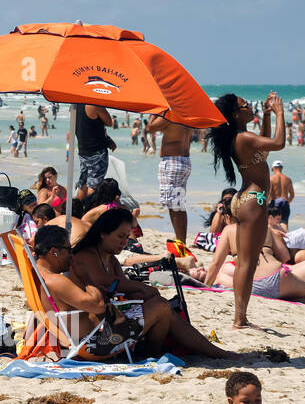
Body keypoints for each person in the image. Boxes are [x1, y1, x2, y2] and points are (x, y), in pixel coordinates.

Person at [71, 208, 237, 359]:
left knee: (162, 306)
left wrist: (145, 293)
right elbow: (106, 282)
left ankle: (152, 354)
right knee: (162, 307)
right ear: (103, 233)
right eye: (120, 236)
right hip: (94, 337)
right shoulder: (87, 256)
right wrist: (143, 288)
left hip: (111, 324)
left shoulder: (111, 260)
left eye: (126, 237)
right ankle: (209, 352)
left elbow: (123, 289)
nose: (124, 242)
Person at [209, 92, 286, 328]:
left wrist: (265, 115)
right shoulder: (242, 137)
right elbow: (278, 143)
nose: (249, 106)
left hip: (246, 200)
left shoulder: (242, 137)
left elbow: (264, 149)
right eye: (245, 105)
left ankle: (240, 318)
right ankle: (239, 320)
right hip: (253, 202)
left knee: (247, 262)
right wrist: (279, 113)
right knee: (247, 263)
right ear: (236, 114)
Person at [203, 209, 305, 305]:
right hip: (276, 277)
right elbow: (285, 256)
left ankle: (302, 300)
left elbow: (215, 264)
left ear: (229, 217)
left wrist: (205, 287)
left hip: (252, 285)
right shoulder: (264, 227)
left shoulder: (228, 231)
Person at [148, 114, 193, 243]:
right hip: (184, 160)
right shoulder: (187, 114)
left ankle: (180, 241)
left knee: (174, 204)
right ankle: (181, 241)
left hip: (172, 161)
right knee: (179, 203)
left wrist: (154, 112)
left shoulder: (171, 114)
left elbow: (150, 128)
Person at [72, 102, 115, 200]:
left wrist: (107, 139)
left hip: (83, 150)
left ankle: (77, 209)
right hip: (96, 151)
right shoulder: (94, 104)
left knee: (83, 182)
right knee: (94, 186)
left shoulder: (76, 103)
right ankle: (88, 209)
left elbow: (87, 127)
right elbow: (109, 122)